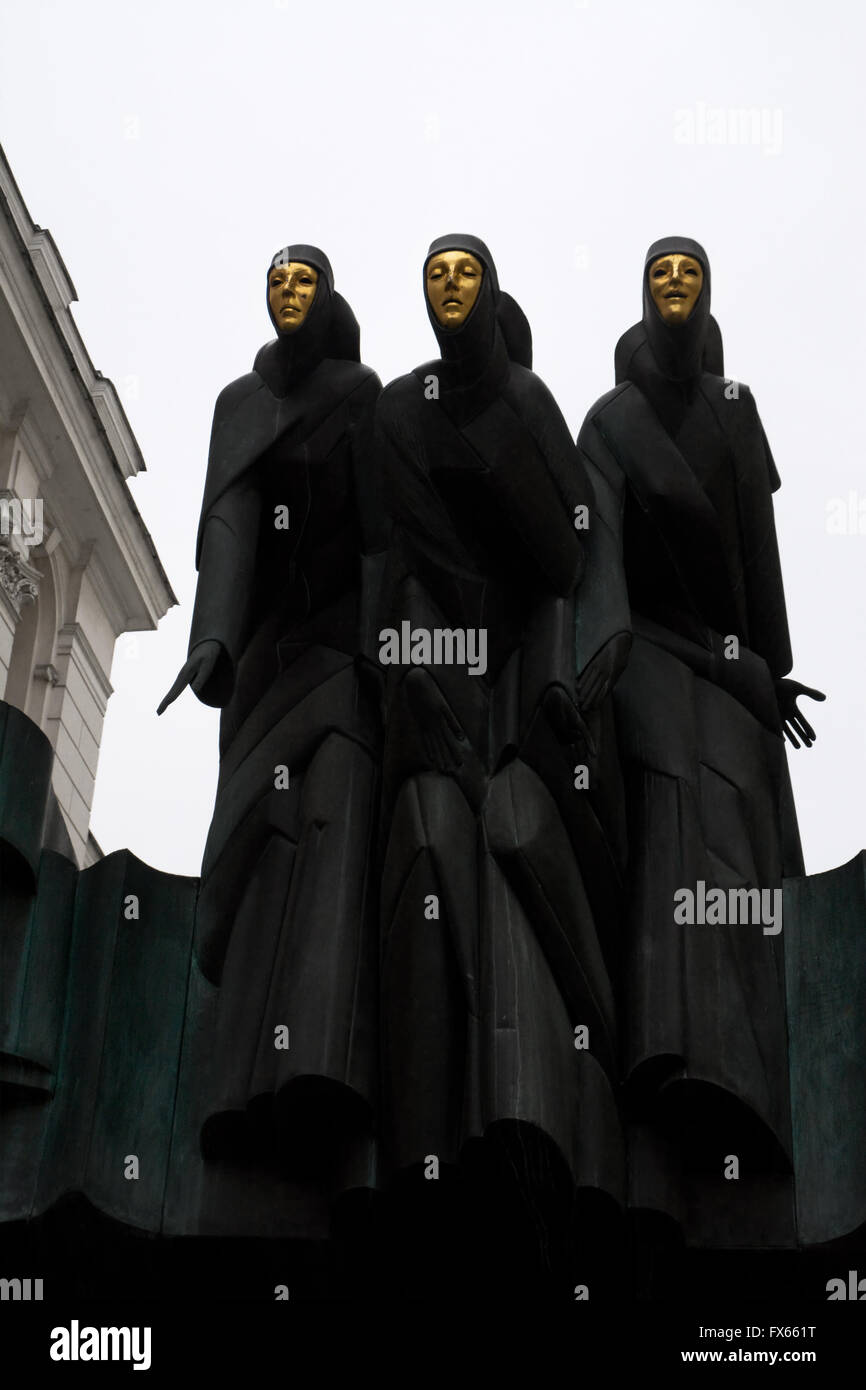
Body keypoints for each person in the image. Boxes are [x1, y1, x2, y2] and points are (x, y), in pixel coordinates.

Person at [374, 234, 629, 1288]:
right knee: (431, 839)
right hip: (446, 700)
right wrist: (427, 694)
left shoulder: (536, 435)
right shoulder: (398, 422)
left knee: (511, 841)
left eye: (466, 275)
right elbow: (400, 586)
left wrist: (554, 698)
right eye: (434, 272)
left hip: (529, 705)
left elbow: (569, 570)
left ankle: (529, 1122)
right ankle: (424, 1145)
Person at [577, 236, 824, 1179]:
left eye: (689, 272)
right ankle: (669, 1056)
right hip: (648, 655)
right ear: (643, 296)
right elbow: (597, 561)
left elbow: (759, 554)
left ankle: (752, 1072)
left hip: (733, 671)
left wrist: (773, 669)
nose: (674, 284)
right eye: (659, 273)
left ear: (708, 292)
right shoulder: (607, 421)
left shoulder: (733, 409)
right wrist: (602, 643)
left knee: (744, 825)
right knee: (675, 814)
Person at [159, 244, 384, 1182]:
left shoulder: (362, 390)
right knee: (257, 846)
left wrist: (381, 652)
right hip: (265, 663)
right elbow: (229, 524)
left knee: (329, 836)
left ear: (325, 298)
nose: (289, 296)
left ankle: (319, 1069)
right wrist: (210, 639)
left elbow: (381, 530)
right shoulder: (238, 405)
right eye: (276, 284)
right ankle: (237, 1089)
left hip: (340, 650)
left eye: (304, 284)